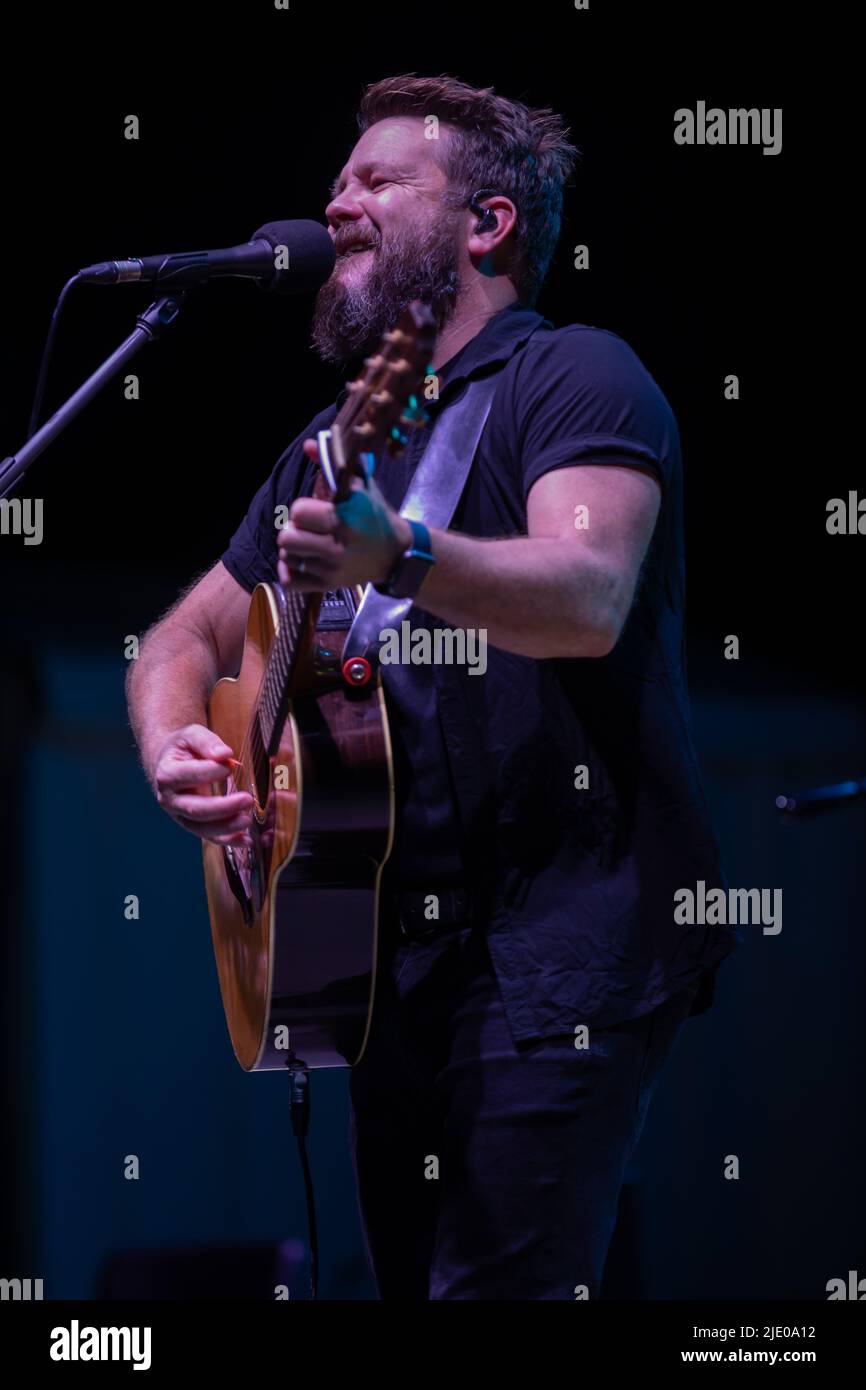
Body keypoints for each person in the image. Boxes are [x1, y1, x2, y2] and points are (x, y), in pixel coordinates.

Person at [126, 72, 740, 1300]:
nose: (332, 201)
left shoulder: (575, 377)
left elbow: (587, 593)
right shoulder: (330, 444)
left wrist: (397, 553)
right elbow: (171, 642)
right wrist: (173, 744)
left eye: (375, 180)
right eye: (336, 179)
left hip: (560, 948)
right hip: (384, 968)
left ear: (487, 223)